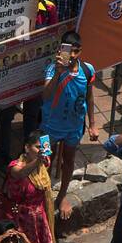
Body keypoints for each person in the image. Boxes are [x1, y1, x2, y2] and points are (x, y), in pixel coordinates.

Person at [40, 31, 98, 223]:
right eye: (68, 51)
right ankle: (44, 196)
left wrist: (93, 124)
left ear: (81, 51)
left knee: (69, 160)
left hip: (74, 127)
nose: (72, 55)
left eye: (76, 51)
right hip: (49, 128)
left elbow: (89, 97)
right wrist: (58, 73)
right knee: (46, 161)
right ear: (60, 50)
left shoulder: (88, 70)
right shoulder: (52, 69)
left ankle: (62, 195)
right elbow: (45, 96)